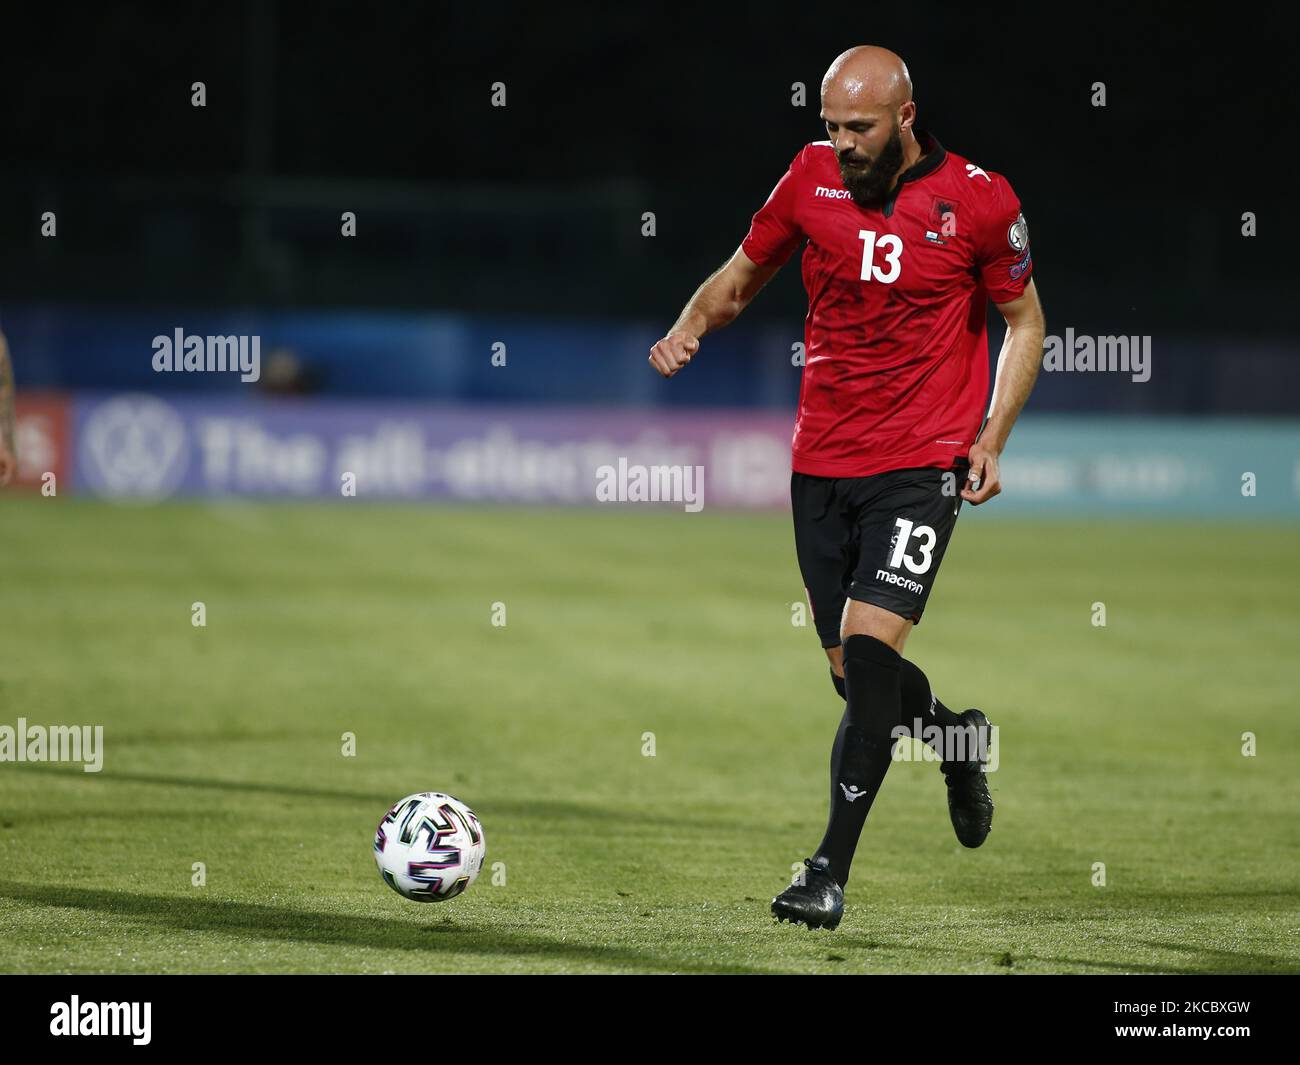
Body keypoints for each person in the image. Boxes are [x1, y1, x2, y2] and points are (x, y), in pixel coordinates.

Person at [648, 45, 1045, 929]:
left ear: (906, 117)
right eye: (830, 126)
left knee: (869, 655)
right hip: (821, 462)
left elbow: (1025, 320)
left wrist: (991, 436)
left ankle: (826, 870)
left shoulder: (981, 199)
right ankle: (955, 737)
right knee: (851, 677)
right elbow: (742, 276)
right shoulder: (809, 179)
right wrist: (689, 323)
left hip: (922, 463)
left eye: (858, 127)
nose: (842, 143)